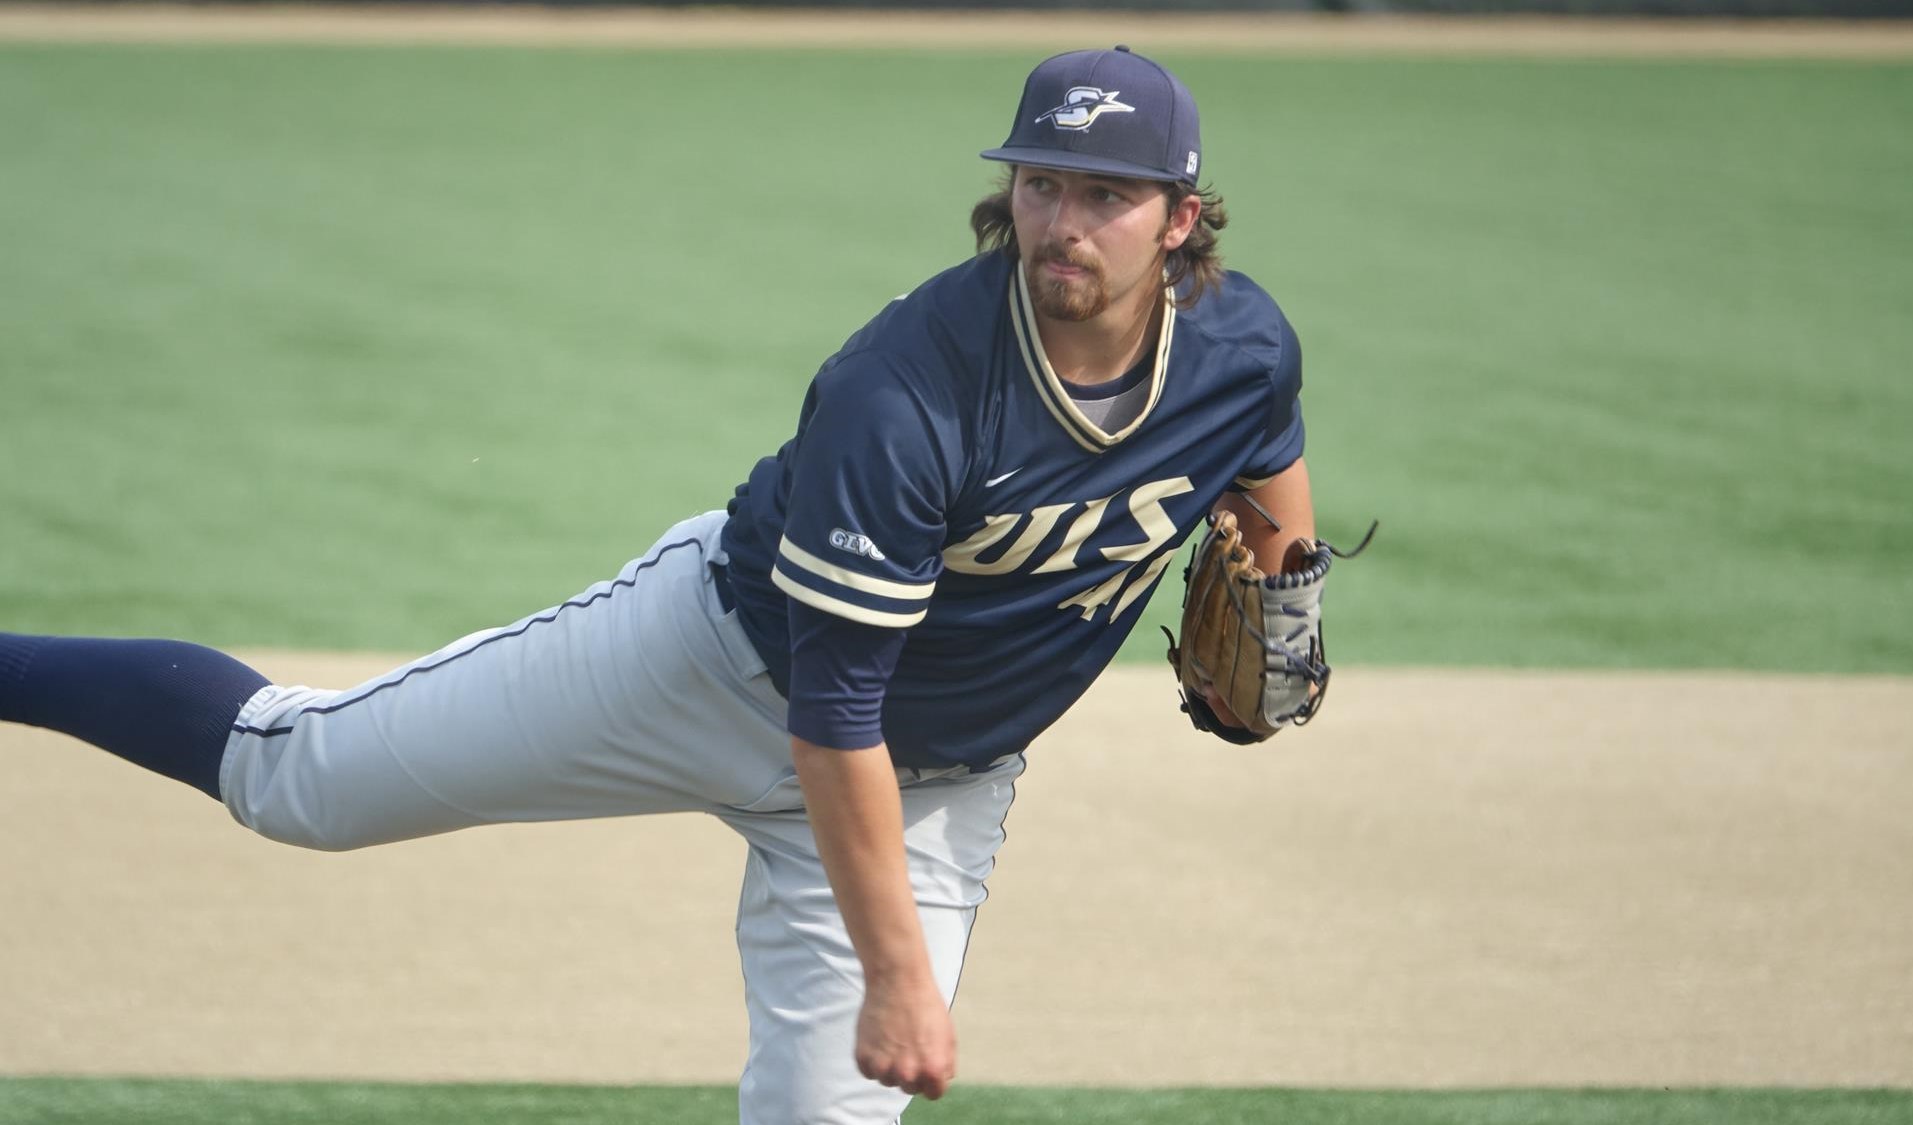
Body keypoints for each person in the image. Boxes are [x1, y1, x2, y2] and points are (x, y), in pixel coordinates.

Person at [0, 45, 1322, 1123]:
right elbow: (833, 709)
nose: (1064, 222)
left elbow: (1269, 474)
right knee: (301, 781)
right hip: (711, 669)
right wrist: (899, 975)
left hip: (937, 788)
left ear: (1182, 218)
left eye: (1106, 195)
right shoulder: (907, 389)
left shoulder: (1243, 347)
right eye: (1042, 183)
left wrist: (1280, 591)